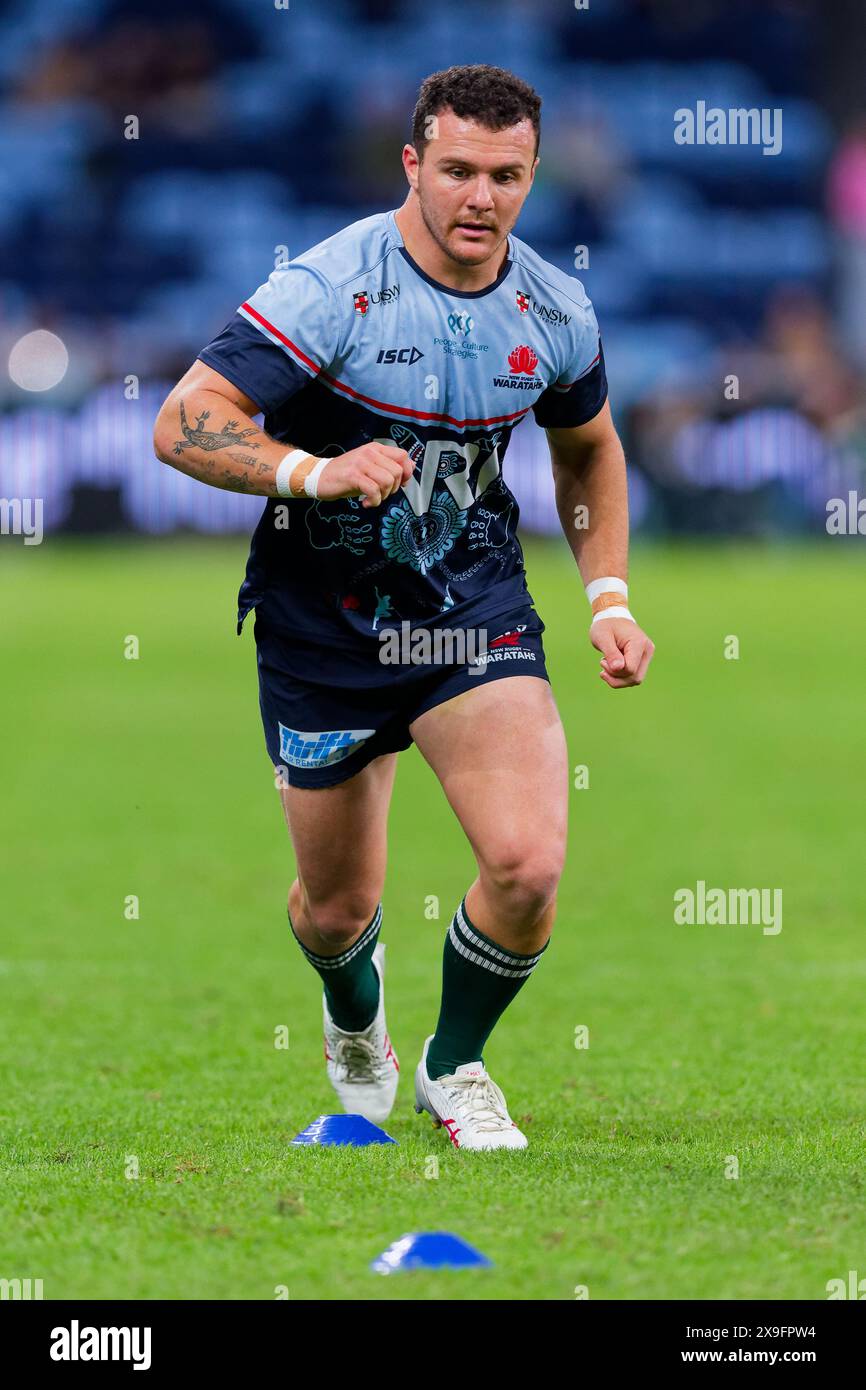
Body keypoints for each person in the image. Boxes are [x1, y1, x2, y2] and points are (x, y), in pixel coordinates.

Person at [153, 64, 655, 1151]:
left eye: (508, 176)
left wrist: (606, 594)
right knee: (333, 911)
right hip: (320, 621)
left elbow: (588, 451)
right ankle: (352, 1014)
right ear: (412, 164)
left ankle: (454, 1062)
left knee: (525, 863)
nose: (482, 196)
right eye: (460, 170)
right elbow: (185, 420)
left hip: (468, 602)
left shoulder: (552, 307)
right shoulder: (328, 288)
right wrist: (309, 472)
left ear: (533, 176)